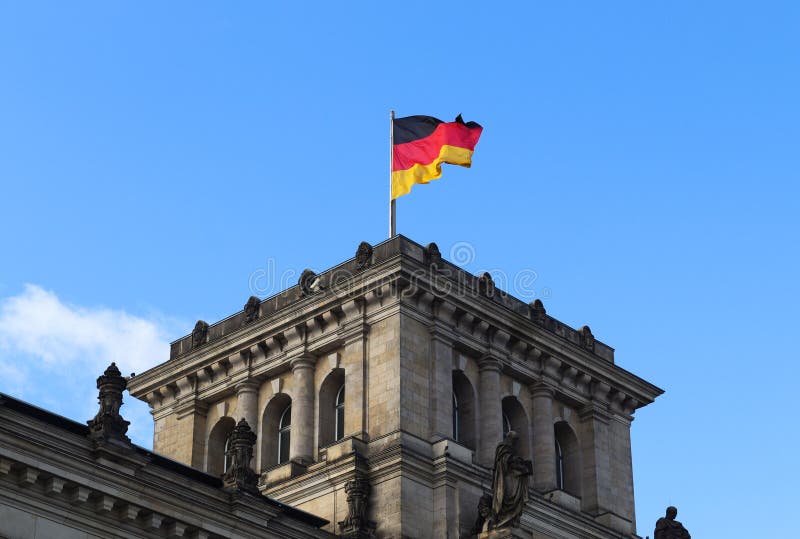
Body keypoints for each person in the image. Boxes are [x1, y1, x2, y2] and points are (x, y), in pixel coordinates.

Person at [489, 431, 532, 529]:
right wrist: (515, 460)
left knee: (516, 500)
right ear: (510, 438)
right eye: (514, 440)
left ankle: (512, 520)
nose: (515, 443)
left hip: (515, 478)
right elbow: (503, 460)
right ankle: (503, 520)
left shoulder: (510, 448)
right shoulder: (503, 446)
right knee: (507, 497)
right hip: (506, 478)